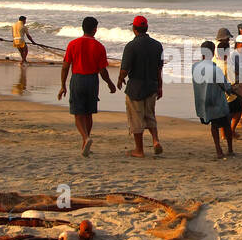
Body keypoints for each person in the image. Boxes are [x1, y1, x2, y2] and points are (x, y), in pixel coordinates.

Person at [57, 16, 115, 156]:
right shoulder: (99, 47)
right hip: (92, 80)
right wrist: (110, 83)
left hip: (77, 79)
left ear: (82, 28)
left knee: (78, 114)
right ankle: (85, 140)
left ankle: (85, 138)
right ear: (95, 30)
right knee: (88, 113)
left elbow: (65, 66)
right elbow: (102, 70)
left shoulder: (73, 44)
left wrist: (63, 85)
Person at [117, 14, 164, 157]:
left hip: (135, 87)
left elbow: (125, 69)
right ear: (147, 28)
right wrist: (160, 86)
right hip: (152, 86)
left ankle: (139, 150)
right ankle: (155, 140)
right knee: (150, 115)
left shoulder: (131, 46)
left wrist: (120, 79)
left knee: (136, 118)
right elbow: (159, 68)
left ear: (134, 29)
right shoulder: (157, 45)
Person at [192, 40, 235, 160]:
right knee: (226, 124)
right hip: (217, 101)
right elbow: (226, 86)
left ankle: (218, 149)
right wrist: (231, 89)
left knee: (214, 125)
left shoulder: (195, 67)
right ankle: (230, 149)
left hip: (203, 101)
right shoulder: (215, 69)